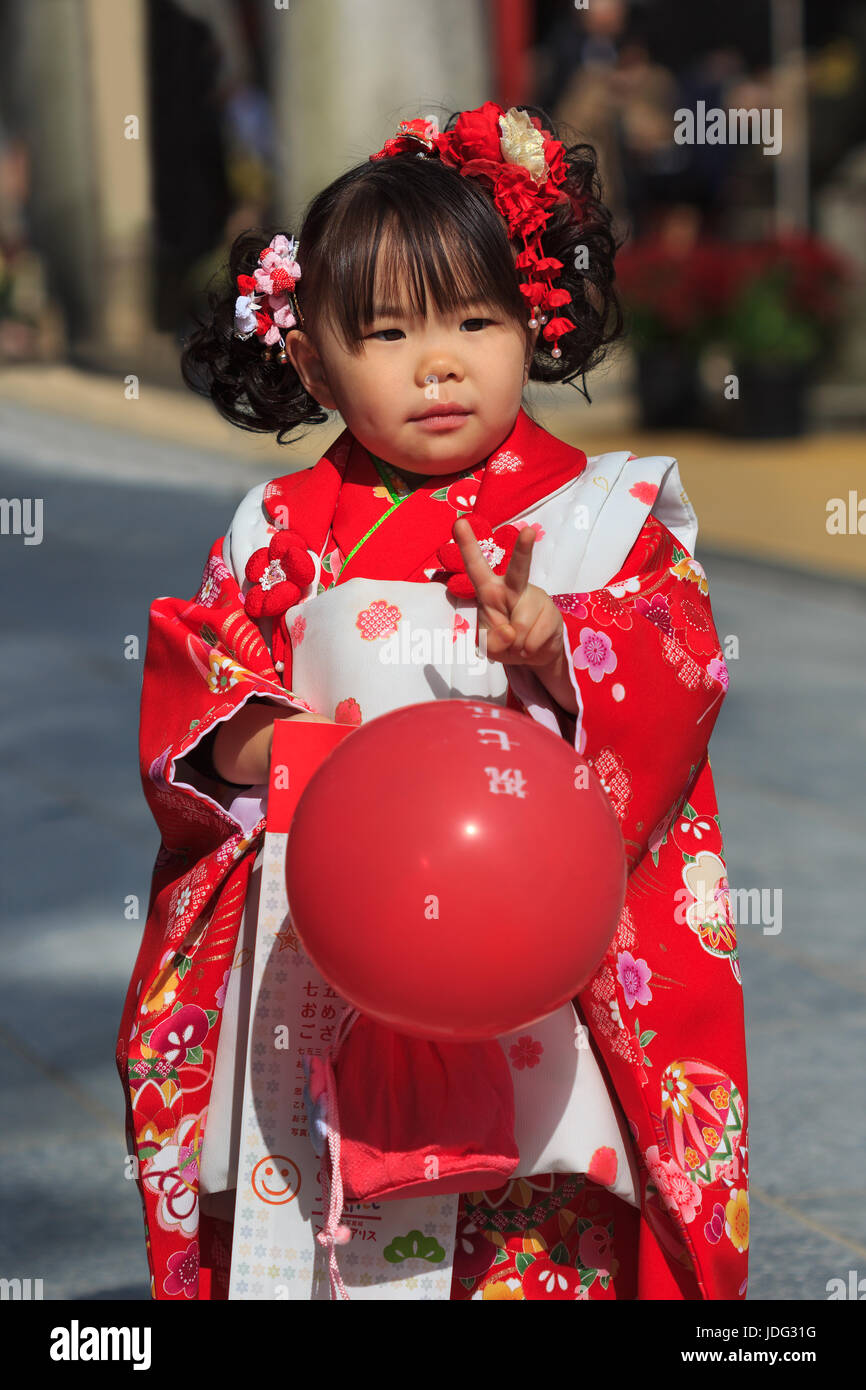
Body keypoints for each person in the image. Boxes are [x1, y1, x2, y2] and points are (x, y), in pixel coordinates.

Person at [116, 101, 749, 1301]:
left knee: (543, 1194)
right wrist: (255, 736)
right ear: (309, 356)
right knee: (320, 1217)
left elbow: (679, 653)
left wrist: (564, 639)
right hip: (332, 938)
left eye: (474, 320)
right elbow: (204, 685)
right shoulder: (277, 530)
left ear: (532, 322)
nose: (441, 361)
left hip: (538, 957)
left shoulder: (601, 516)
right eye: (389, 331)